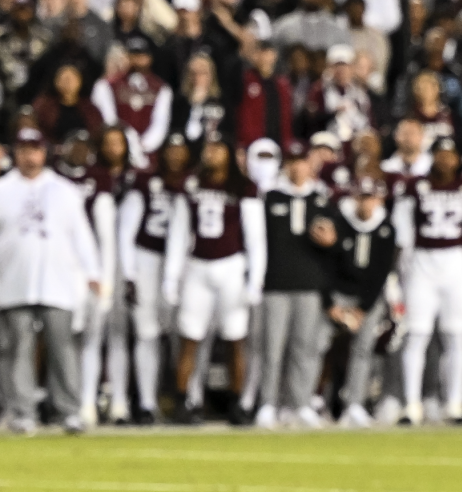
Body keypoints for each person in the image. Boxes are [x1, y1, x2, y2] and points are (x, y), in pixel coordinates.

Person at [0, 127, 100, 434]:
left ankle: (69, 411)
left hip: (58, 281)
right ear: (16, 153)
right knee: (17, 349)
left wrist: (92, 271)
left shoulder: (64, 189)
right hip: (12, 280)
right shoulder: (3, 188)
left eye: (34, 149)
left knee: (63, 348)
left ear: (44, 152)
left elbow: (81, 233)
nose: (29, 156)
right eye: (23, 150)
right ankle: (22, 412)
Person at [164, 135, 266, 424]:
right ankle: (183, 401)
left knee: (235, 337)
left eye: (218, 149)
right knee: (189, 338)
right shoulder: (191, 184)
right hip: (197, 265)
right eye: (209, 149)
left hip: (232, 265)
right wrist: (172, 276)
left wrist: (255, 279)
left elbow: (256, 237)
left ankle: (237, 403)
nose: (212, 154)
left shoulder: (243, 187)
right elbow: (179, 233)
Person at [395, 137, 462, 425]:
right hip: (421, 261)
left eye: (450, 154)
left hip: (455, 263)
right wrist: (398, 275)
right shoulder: (415, 186)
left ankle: (455, 403)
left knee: (457, 335)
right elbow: (402, 235)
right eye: (441, 154)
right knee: (416, 334)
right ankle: (411, 404)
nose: (446, 160)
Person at [256, 141, 337, 430]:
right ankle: (268, 404)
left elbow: (334, 243)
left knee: (305, 349)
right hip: (276, 283)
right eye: (292, 161)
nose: (297, 167)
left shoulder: (321, 199)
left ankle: (301, 404)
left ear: (309, 164)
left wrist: (331, 240)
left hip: (309, 284)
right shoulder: (270, 198)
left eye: (301, 161)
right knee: (272, 348)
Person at [120, 132, 190, 424]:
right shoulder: (145, 182)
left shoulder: (193, 183)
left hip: (187, 262)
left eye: (180, 150)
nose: (175, 155)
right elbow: (126, 229)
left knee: (185, 333)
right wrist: (129, 272)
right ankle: (147, 402)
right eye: (170, 150)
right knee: (146, 332)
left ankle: (187, 400)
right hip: (147, 257)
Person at [57, 130, 118, 427]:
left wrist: (105, 280)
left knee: (90, 340)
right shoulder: (53, 179)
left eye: (85, 147)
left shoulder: (99, 179)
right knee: (60, 340)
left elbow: (106, 236)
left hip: (88, 271)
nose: (80, 152)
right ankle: (60, 401)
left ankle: (86, 401)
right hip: (60, 270)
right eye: (75, 146)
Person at [329, 176, 400, 426]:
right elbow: (329, 265)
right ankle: (308, 402)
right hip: (339, 294)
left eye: (370, 198)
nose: (366, 203)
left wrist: (362, 309)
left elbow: (381, 272)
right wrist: (331, 304)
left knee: (363, 350)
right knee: (317, 346)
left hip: (368, 297)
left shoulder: (386, 228)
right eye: (362, 197)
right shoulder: (340, 222)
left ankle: (354, 404)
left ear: (378, 200)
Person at [92, 33, 172, 167]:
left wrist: (142, 147)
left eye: (141, 55)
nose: (137, 60)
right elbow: (109, 118)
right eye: (133, 55)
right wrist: (129, 142)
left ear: (149, 58)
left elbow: (160, 123)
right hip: (115, 154)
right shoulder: (106, 85)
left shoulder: (161, 88)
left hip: (148, 157)